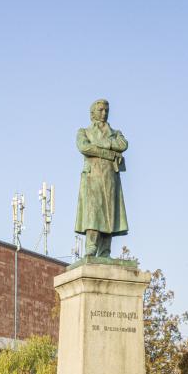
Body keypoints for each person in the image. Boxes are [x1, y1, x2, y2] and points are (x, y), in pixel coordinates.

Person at [74, 99, 129, 258]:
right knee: (93, 212)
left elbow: (123, 145)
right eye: (100, 110)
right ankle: (91, 247)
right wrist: (109, 153)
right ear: (92, 113)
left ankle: (105, 251)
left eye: (106, 110)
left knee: (109, 213)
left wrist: (100, 143)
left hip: (110, 177)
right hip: (93, 177)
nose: (104, 113)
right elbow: (84, 147)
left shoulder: (116, 133)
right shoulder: (84, 132)